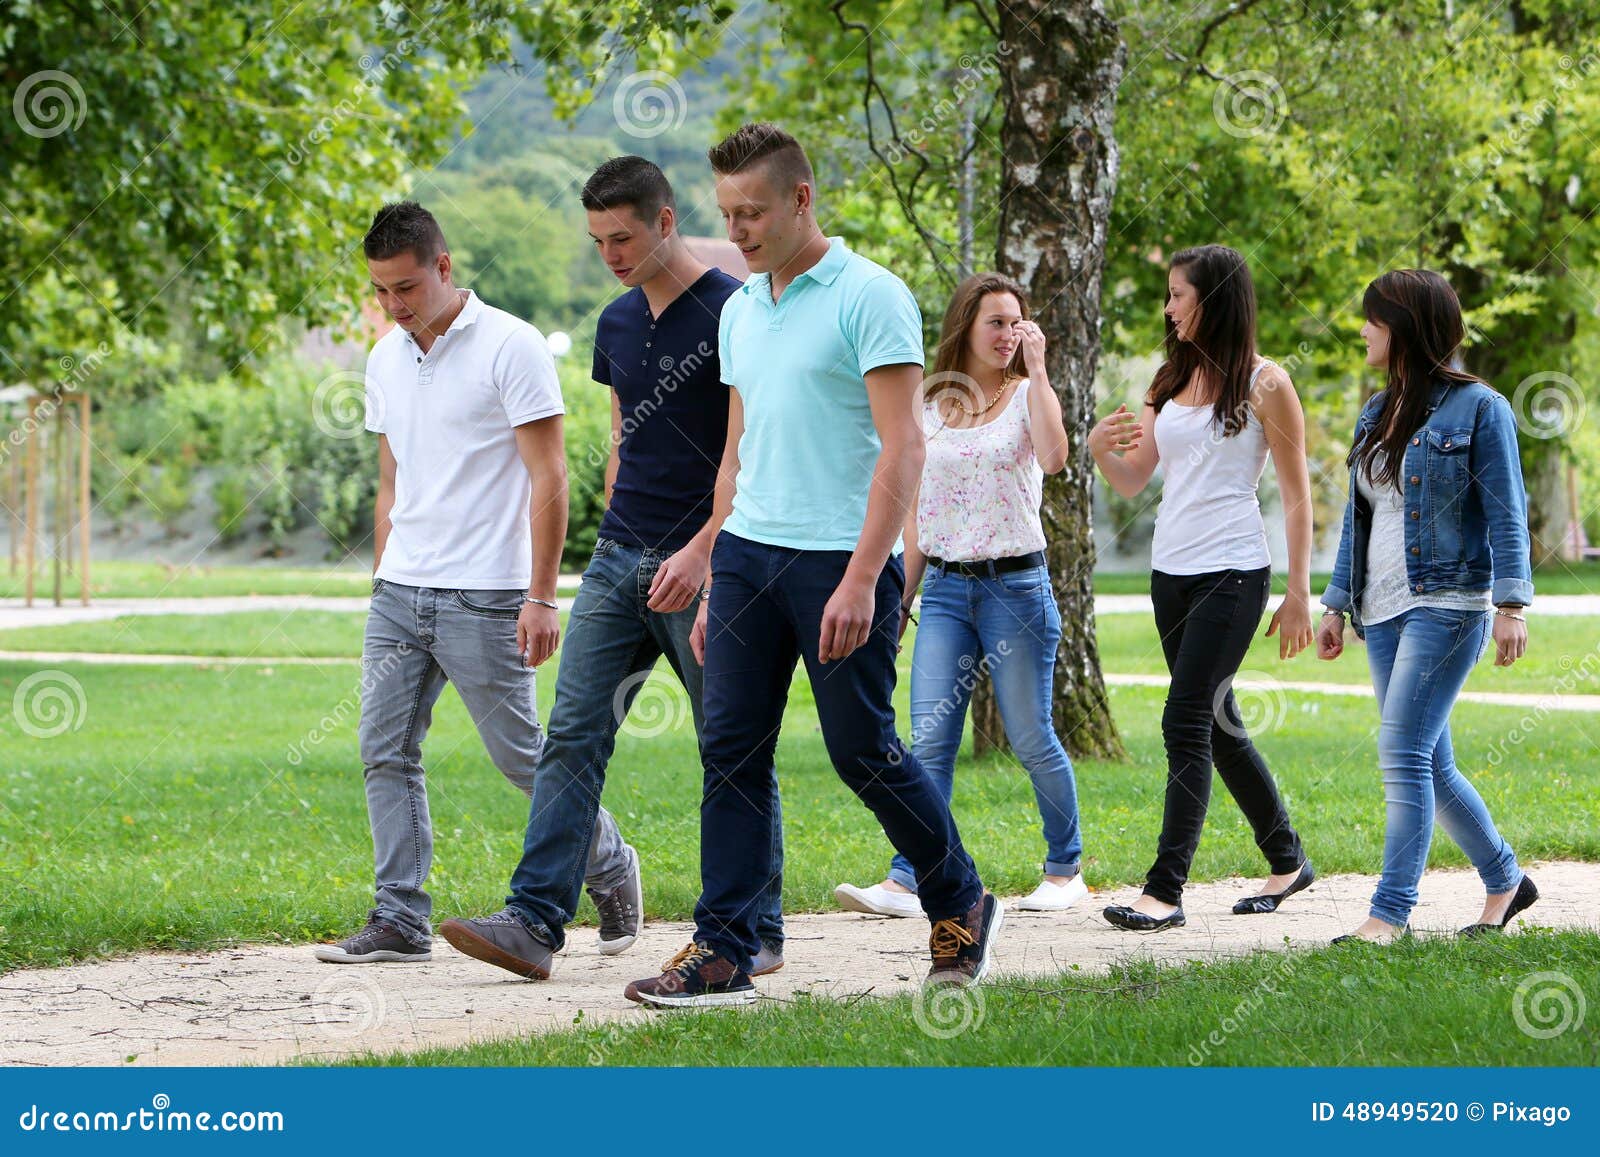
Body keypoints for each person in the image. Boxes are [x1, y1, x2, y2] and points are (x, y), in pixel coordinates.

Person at [624, 123, 1001, 1008]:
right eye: (727, 213)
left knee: (860, 749)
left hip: (839, 557)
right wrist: (717, 561)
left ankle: (959, 899)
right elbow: (738, 450)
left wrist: (868, 576)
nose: (740, 229)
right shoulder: (742, 308)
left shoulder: (872, 296)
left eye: (753, 211)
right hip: (751, 554)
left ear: (801, 199)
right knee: (729, 751)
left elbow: (905, 446)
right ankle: (728, 944)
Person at [436, 157, 787, 979]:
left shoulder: (737, 313)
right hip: (619, 558)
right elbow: (624, 437)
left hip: (712, 562)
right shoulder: (616, 323)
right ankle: (533, 921)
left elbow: (756, 450)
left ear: (667, 221)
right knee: (572, 735)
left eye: (623, 236)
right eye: (597, 240)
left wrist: (705, 551)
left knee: (730, 748)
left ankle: (756, 927)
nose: (611, 254)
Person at [316, 201, 566, 963]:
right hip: (400, 591)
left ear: (444, 267)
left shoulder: (513, 346)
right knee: (383, 749)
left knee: (522, 756)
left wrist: (542, 593)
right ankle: (400, 919)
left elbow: (548, 475)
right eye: (381, 291)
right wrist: (382, 572)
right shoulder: (385, 357)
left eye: (407, 288)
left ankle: (612, 865)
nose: (394, 306)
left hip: (486, 592)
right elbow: (392, 478)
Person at [834, 272, 1087, 918]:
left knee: (1031, 735)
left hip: (1017, 588)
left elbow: (1056, 458)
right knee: (930, 741)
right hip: (945, 588)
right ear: (965, 328)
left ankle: (1065, 868)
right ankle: (909, 877)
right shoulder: (928, 405)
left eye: (1016, 322)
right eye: (995, 323)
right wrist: (899, 598)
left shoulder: (1030, 393)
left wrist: (1042, 369)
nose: (1008, 334)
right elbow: (916, 512)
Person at [1087, 243, 1315, 933]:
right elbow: (1136, 478)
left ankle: (1165, 889)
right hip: (1170, 574)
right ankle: (1287, 857)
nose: (1168, 306)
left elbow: (1298, 495)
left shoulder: (1266, 382)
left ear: (1211, 299)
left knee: (1183, 719)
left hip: (1234, 572)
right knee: (1218, 723)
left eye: (1178, 294)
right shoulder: (1171, 377)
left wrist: (1299, 591)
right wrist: (1101, 452)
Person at [1318, 269, 1537, 944]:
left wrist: (1512, 603)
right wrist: (1334, 603)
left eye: (1372, 319)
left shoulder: (1480, 408)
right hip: (1380, 609)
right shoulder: (1374, 410)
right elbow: (1358, 520)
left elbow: (1507, 513)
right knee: (1430, 762)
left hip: (1448, 603)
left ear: (1404, 326)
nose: (1362, 330)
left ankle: (1390, 913)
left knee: (1402, 751)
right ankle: (1506, 880)